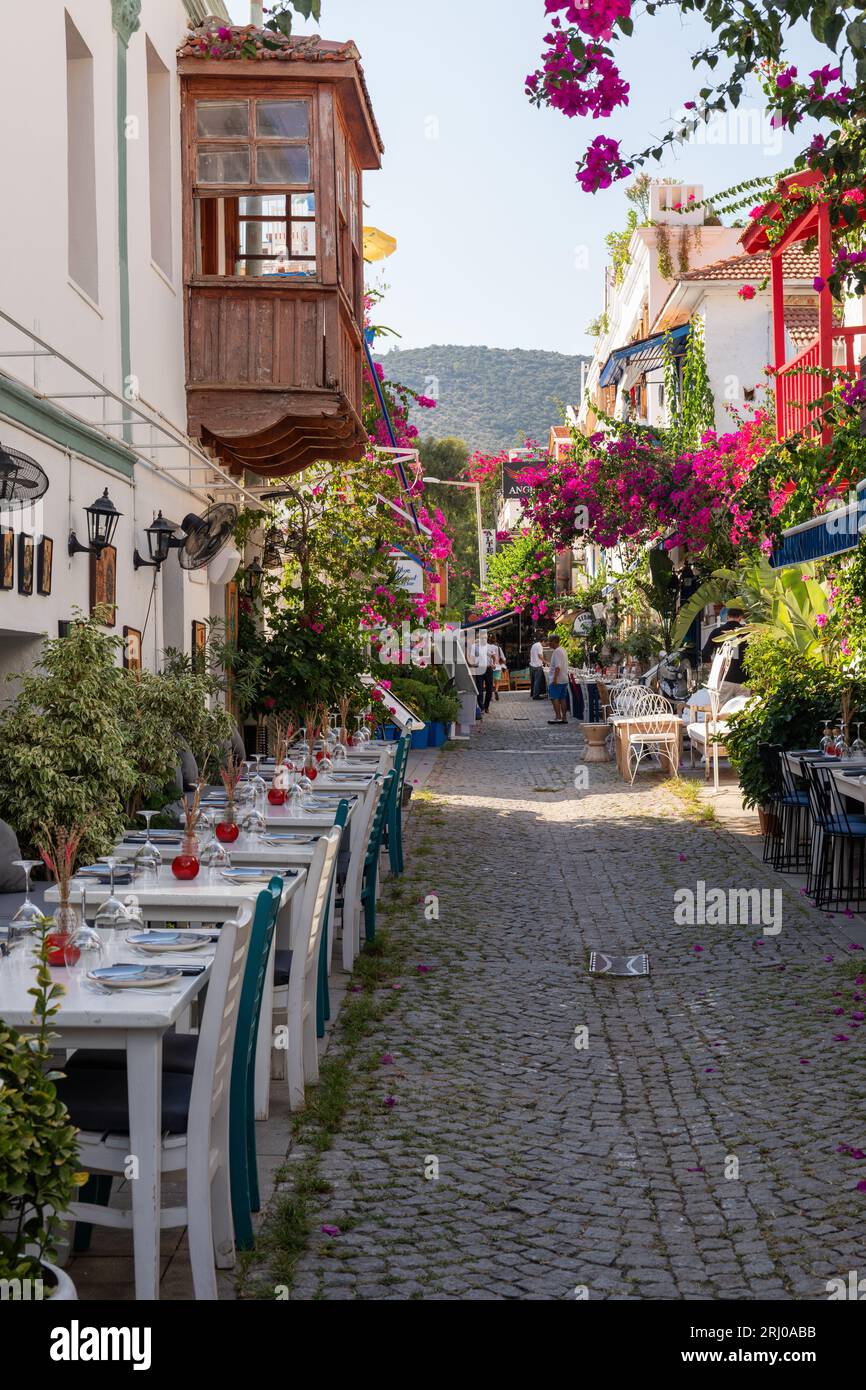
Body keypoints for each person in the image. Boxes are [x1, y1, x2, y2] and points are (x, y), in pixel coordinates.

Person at [702, 606, 748, 700]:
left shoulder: (717, 632)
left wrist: (714, 669)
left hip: (724, 679)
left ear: (727, 617)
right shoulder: (747, 633)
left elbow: (705, 654)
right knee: (743, 711)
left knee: (721, 710)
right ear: (740, 618)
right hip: (743, 680)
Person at [469, 632, 495, 717]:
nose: (484, 639)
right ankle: (481, 707)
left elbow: (494, 657)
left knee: (490, 689)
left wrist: (494, 664)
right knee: (479, 689)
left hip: (488, 669)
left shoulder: (490, 647)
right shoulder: (474, 646)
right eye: (482, 638)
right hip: (479, 669)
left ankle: (486, 706)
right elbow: (471, 659)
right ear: (479, 638)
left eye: (485, 638)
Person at [546, 635, 570, 725]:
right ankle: (564, 717)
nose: (549, 643)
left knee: (554, 698)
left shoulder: (557, 652)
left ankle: (558, 717)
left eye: (550, 641)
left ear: (554, 641)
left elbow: (557, 667)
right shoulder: (563, 650)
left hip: (557, 679)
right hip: (564, 678)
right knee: (562, 699)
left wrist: (555, 679)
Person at [529, 634, 546, 700]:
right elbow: (540, 656)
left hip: (532, 665)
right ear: (543, 641)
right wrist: (546, 662)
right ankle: (536, 695)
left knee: (533, 681)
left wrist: (532, 660)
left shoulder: (534, 645)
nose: (545, 645)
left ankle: (533, 693)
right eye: (546, 643)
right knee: (537, 681)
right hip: (538, 665)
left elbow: (530, 654)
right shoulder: (540, 646)